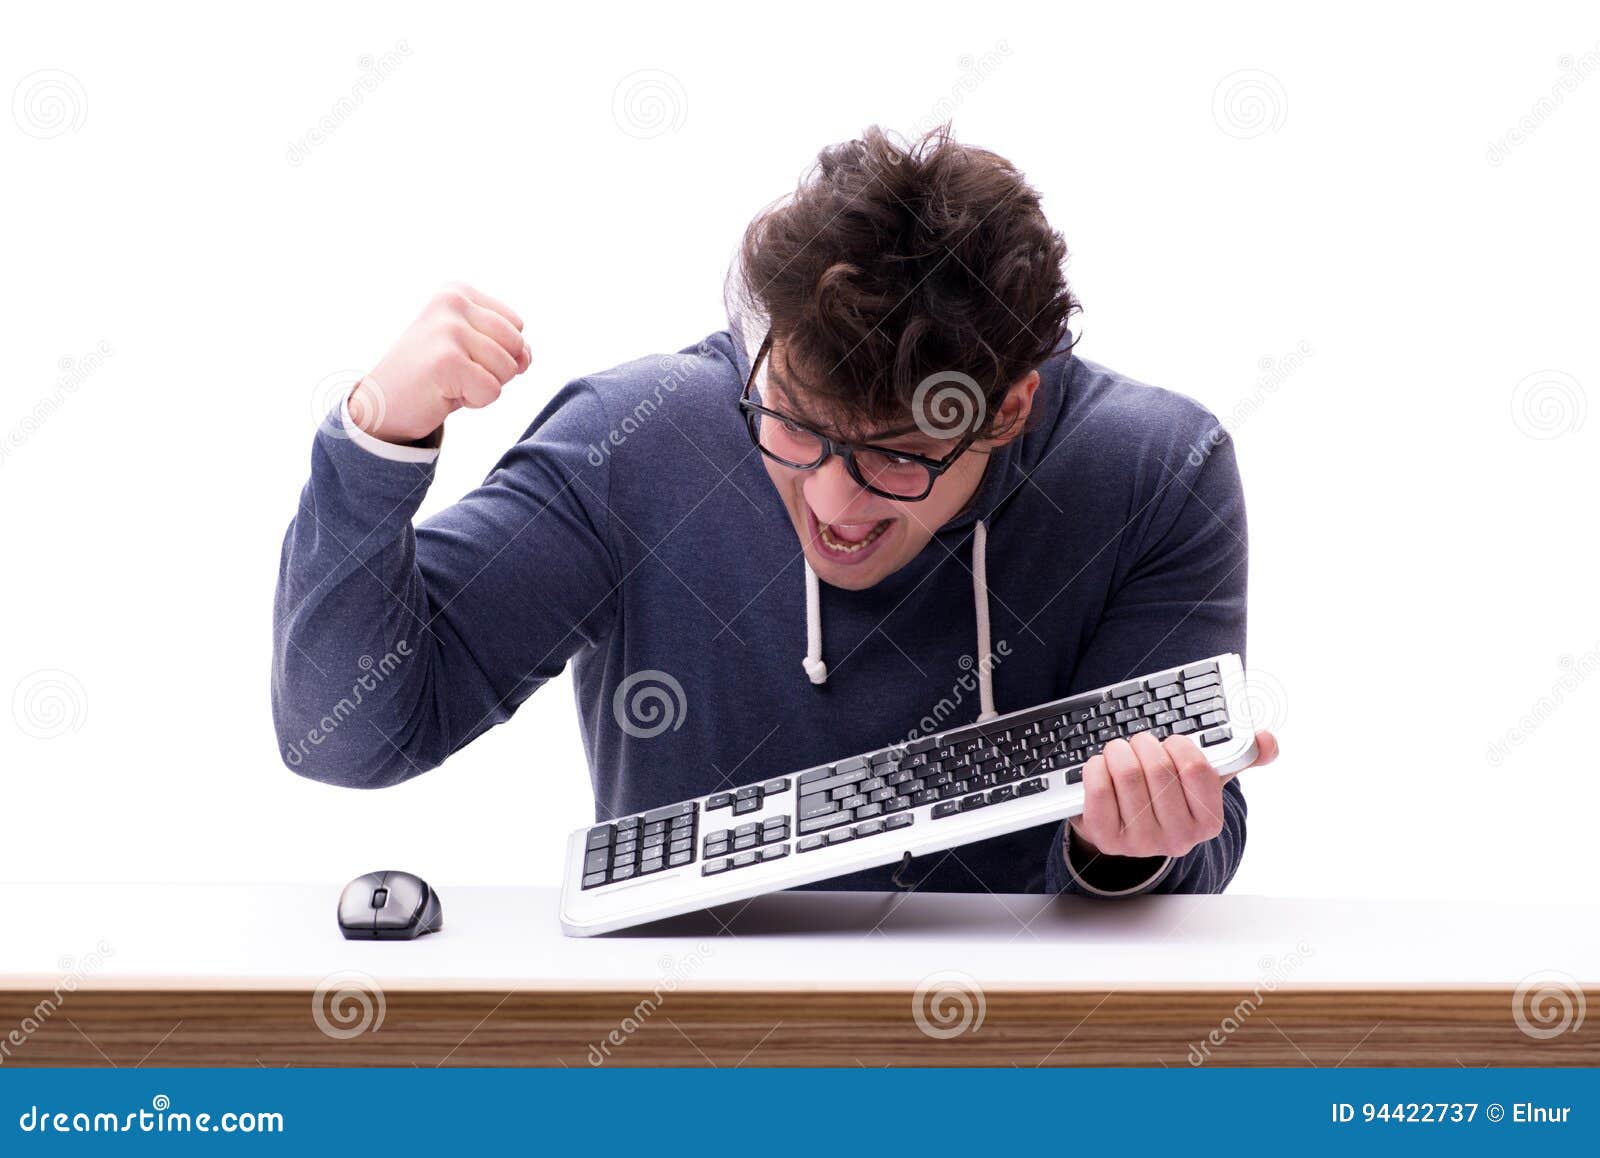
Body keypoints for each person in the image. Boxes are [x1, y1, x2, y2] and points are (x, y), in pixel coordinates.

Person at [272, 123, 1278, 898]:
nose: (834, 502)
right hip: (684, 1046)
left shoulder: (1154, 475)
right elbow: (345, 736)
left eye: (899, 454)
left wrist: (1122, 848)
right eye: (795, 424)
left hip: (1016, 1062)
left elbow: (1190, 854)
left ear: (1008, 410)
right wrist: (377, 439)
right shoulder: (637, 444)